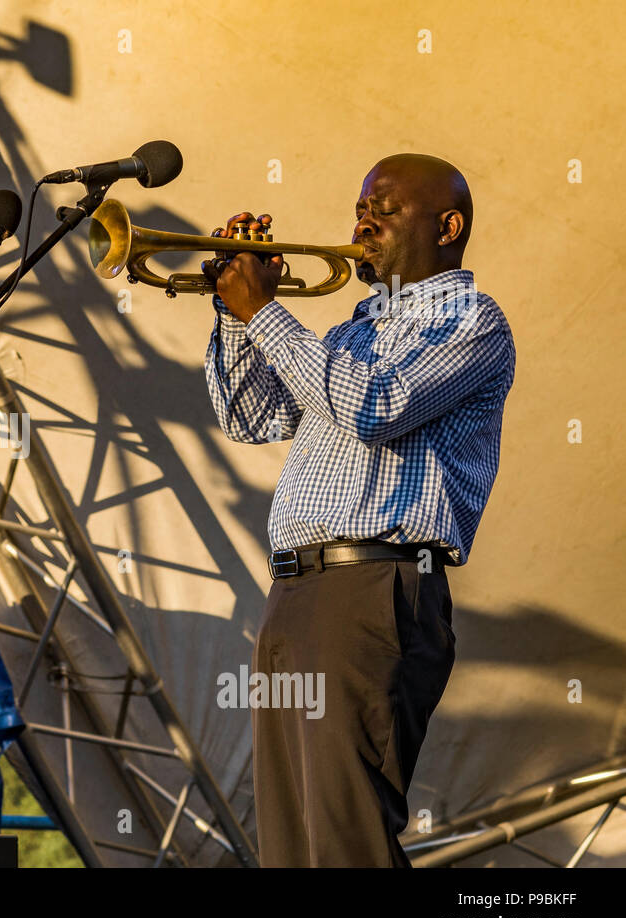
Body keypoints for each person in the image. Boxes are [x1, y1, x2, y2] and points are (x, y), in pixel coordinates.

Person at [202, 153, 516, 867]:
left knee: (346, 838)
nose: (362, 220)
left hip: (372, 591)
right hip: (295, 592)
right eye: (359, 207)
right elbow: (249, 416)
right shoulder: (349, 333)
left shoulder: (471, 319)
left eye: (385, 206)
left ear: (449, 225)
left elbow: (376, 406)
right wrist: (233, 313)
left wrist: (267, 311)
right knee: (294, 843)